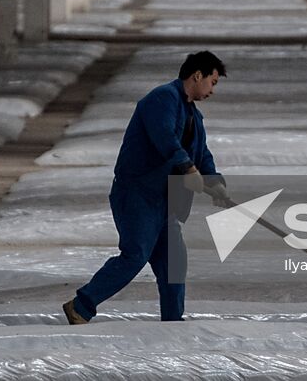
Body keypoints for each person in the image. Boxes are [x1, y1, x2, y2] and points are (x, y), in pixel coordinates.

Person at [64, 51, 230, 324]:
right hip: (138, 194)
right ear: (197, 75)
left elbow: (203, 154)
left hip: (166, 201)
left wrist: (215, 184)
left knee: (173, 263)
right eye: (212, 82)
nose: (213, 90)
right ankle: (80, 306)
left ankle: (173, 321)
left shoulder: (193, 117)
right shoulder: (162, 99)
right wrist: (189, 170)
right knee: (135, 255)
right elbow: (165, 139)